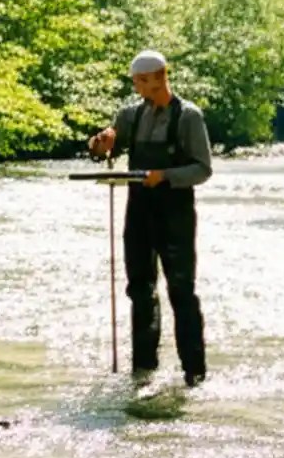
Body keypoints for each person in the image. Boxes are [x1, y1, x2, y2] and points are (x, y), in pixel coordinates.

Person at [88, 49, 213, 387]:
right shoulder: (130, 115)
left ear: (162, 76)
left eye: (144, 80)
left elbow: (203, 169)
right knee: (140, 290)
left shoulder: (189, 117)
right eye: (136, 81)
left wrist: (166, 175)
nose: (139, 87)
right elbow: (104, 151)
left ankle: (194, 372)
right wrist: (102, 142)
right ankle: (143, 371)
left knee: (181, 291)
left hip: (176, 216)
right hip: (139, 212)